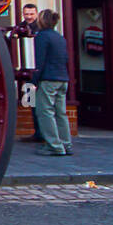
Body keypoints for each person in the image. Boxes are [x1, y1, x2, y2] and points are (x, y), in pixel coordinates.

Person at [32, 9, 72, 156]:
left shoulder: (41, 36)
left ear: (42, 21)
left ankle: (54, 146)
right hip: (63, 78)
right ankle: (66, 144)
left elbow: (40, 61)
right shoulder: (59, 37)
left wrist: (34, 80)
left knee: (45, 112)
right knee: (61, 113)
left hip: (48, 79)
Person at [19, 4, 45, 143]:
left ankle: (42, 133)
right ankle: (37, 132)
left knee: (42, 105)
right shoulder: (20, 27)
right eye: (26, 14)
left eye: (31, 14)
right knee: (32, 103)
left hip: (38, 72)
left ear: (36, 13)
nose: (28, 17)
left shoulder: (41, 29)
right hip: (26, 71)